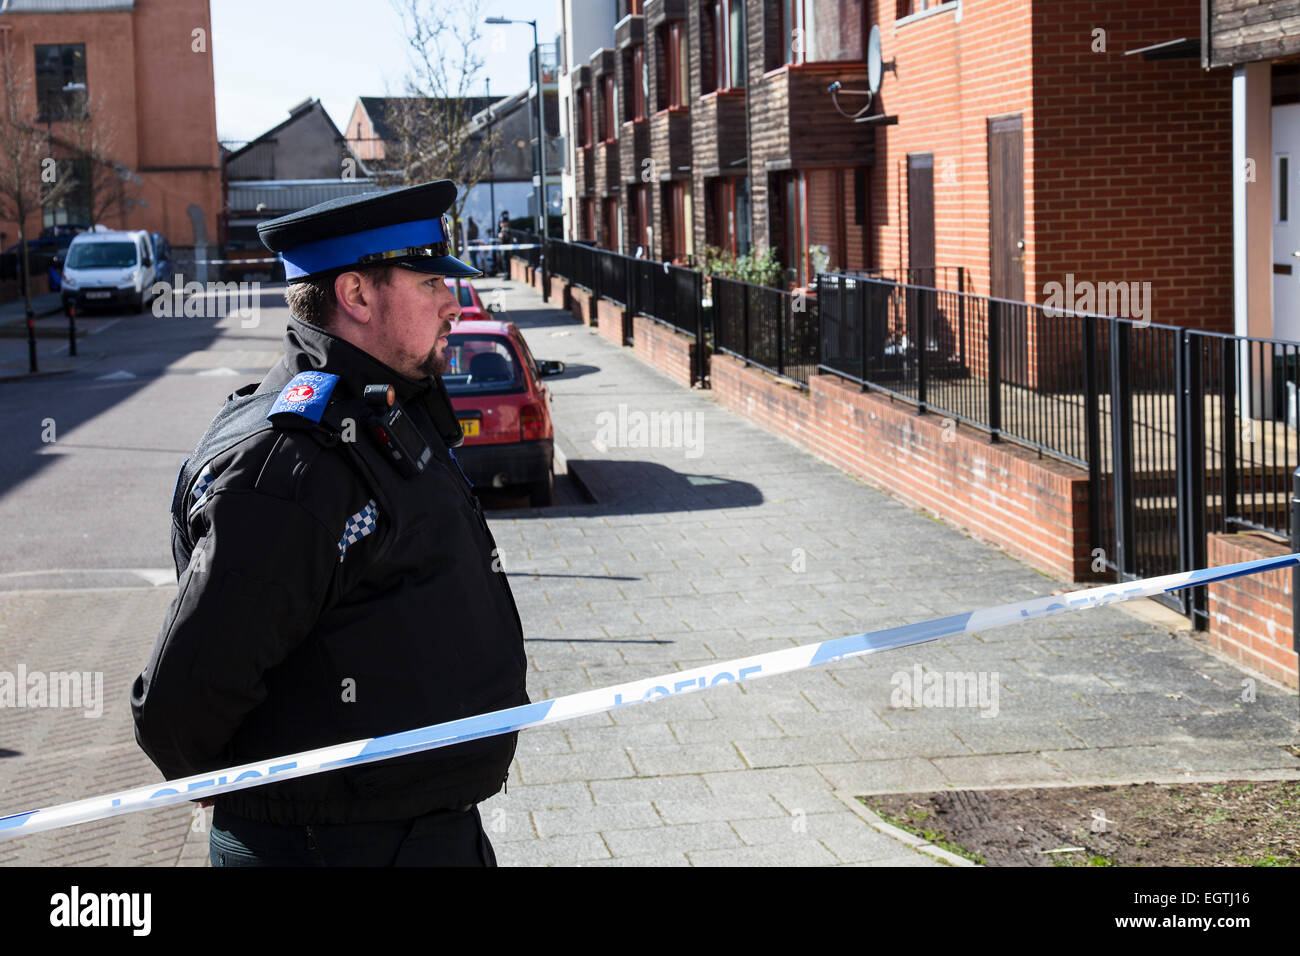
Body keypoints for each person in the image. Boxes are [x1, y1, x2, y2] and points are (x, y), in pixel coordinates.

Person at [130, 180, 529, 867]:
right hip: (336, 848)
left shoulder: (381, 411)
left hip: (419, 834)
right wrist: (239, 783)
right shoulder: (294, 463)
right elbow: (180, 702)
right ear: (356, 295)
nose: (452, 304)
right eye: (432, 281)